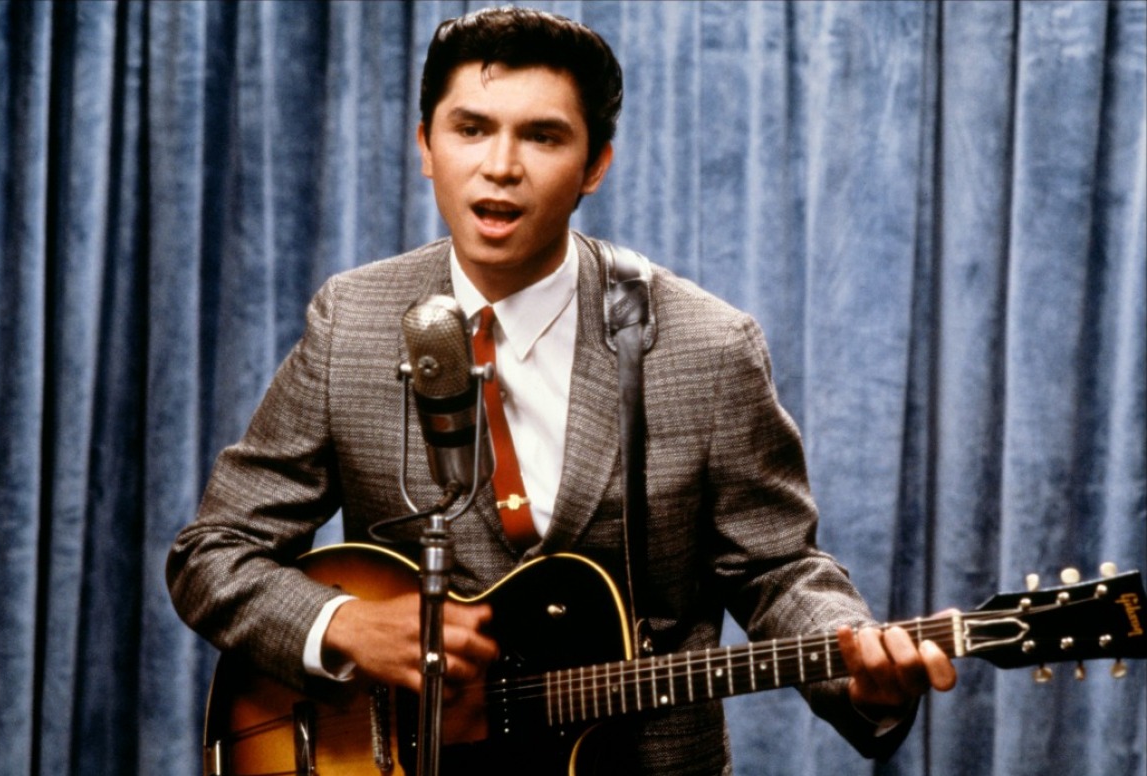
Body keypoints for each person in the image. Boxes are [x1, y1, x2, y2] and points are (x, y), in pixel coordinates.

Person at [167, 7, 956, 774]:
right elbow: (213, 553)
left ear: (595, 165)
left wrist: (857, 660)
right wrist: (342, 625)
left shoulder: (708, 346)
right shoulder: (353, 321)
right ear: (426, 146)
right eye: (471, 129)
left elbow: (776, 569)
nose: (501, 166)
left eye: (542, 136)